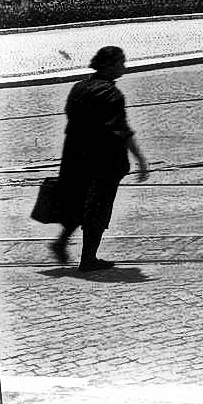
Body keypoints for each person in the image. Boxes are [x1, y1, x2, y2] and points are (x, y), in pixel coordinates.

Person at [48, 46, 151, 271]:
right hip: (103, 162)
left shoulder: (78, 88)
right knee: (99, 208)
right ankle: (88, 259)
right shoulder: (113, 94)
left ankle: (62, 242)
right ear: (109, 65)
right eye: (121, 62)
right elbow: (121, 130)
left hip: (76, 157)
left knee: (78, 204)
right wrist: (141, 160)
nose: (124, 67)